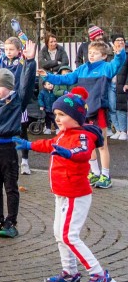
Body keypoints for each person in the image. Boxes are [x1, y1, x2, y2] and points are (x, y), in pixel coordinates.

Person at [14, 89, 116, 282]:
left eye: (62, 115)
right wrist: (29, 145)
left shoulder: (82, 135)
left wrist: (68, 153)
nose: (57, 118)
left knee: (69, 236)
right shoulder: (63, 134)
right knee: (59, 234)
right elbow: (50, 144)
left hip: (74, 194)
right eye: (56, 114)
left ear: (76, 116)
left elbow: (83, 153)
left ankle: (99, 274)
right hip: (62, 192)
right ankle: (70, 273)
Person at [38, 36, 126, 189]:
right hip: (84, 111)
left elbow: (118, 63)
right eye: (90, 52)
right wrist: (48, 76)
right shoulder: (82, 68)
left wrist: (120, 53)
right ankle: (95, 172)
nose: (91, 55)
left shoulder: (106, 68)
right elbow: (66, 79)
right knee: (87, 142)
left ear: (104, 56)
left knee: (102, 144)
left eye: (96, 53)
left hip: (98, 109)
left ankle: (106, 175)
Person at [0, 39, 37, 238]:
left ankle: (11, 221)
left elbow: (27, 84)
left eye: (0, 86)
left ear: (9, 88)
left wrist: (30, 62)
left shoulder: (16, 101)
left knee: (10, 187)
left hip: (7, 149)